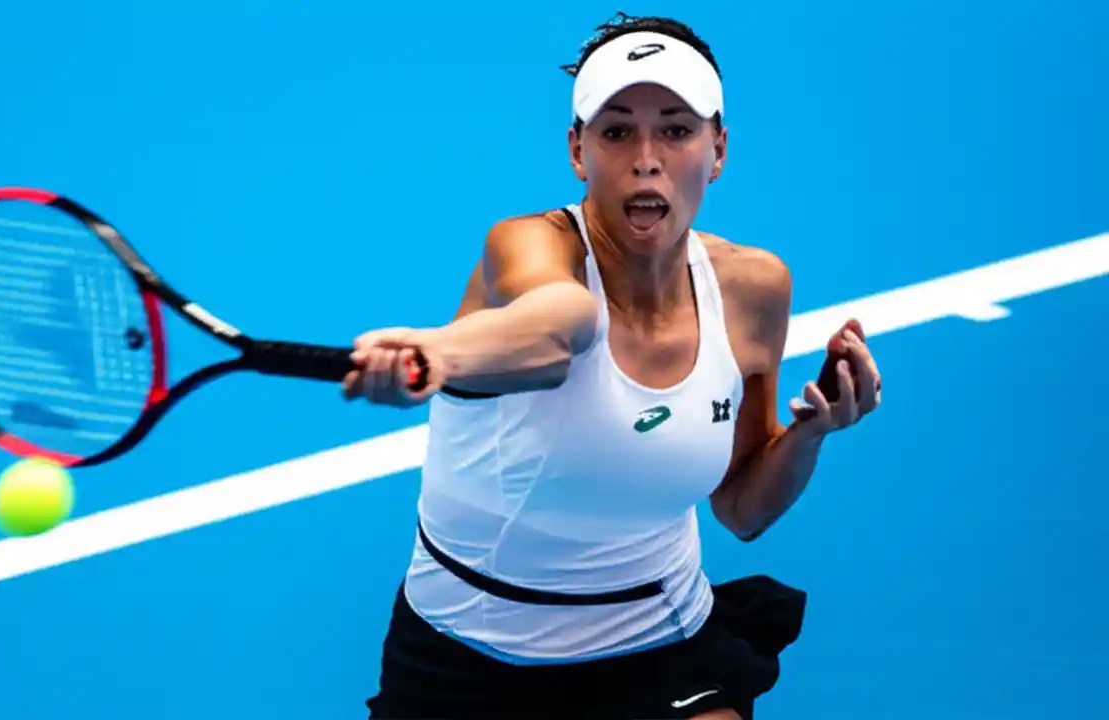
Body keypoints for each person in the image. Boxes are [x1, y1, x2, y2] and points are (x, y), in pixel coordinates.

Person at [343, 12, 882, 719]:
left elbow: (742, 509)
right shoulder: (527, 246)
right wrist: (439, 353)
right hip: (468, 658)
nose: (647, 156)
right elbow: (558, 325)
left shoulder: (753, 289)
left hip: (659, 640)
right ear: (578, 150)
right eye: (618, 129)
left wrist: (811, 433)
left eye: (677, 129)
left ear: (718, 149)